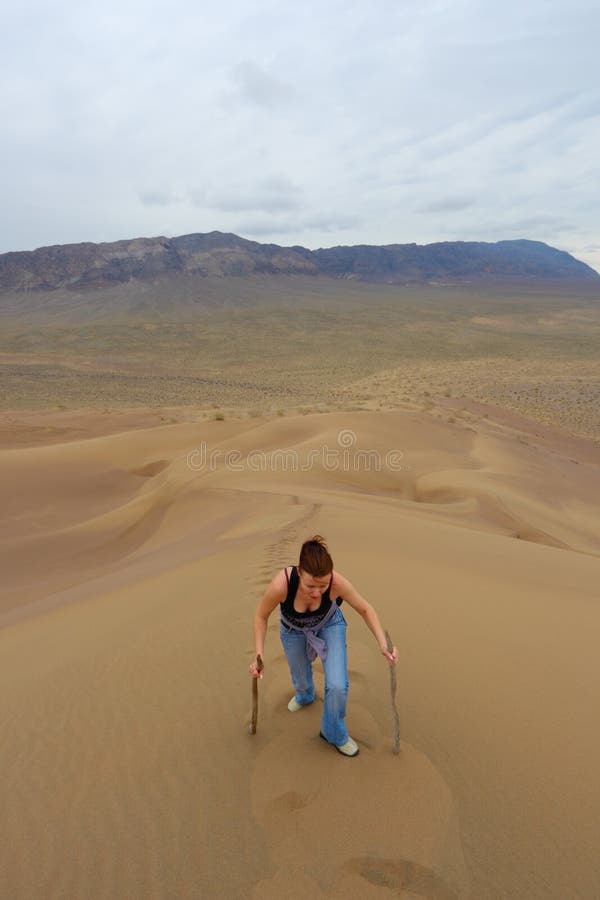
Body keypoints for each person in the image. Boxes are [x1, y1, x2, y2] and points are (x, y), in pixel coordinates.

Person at [249, 535, 398, 757]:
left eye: (323, 585)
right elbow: (261, 616)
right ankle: (305, 695)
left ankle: (332, 731)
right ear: (299, 572)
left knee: (338, 686)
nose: (317, 592)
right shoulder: (282, 585)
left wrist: (383, 643)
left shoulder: (338, 583)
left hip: (330, 625)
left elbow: (365, 608)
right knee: (299, 676)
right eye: (310, 585)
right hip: (292, 631)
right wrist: (258, 655)